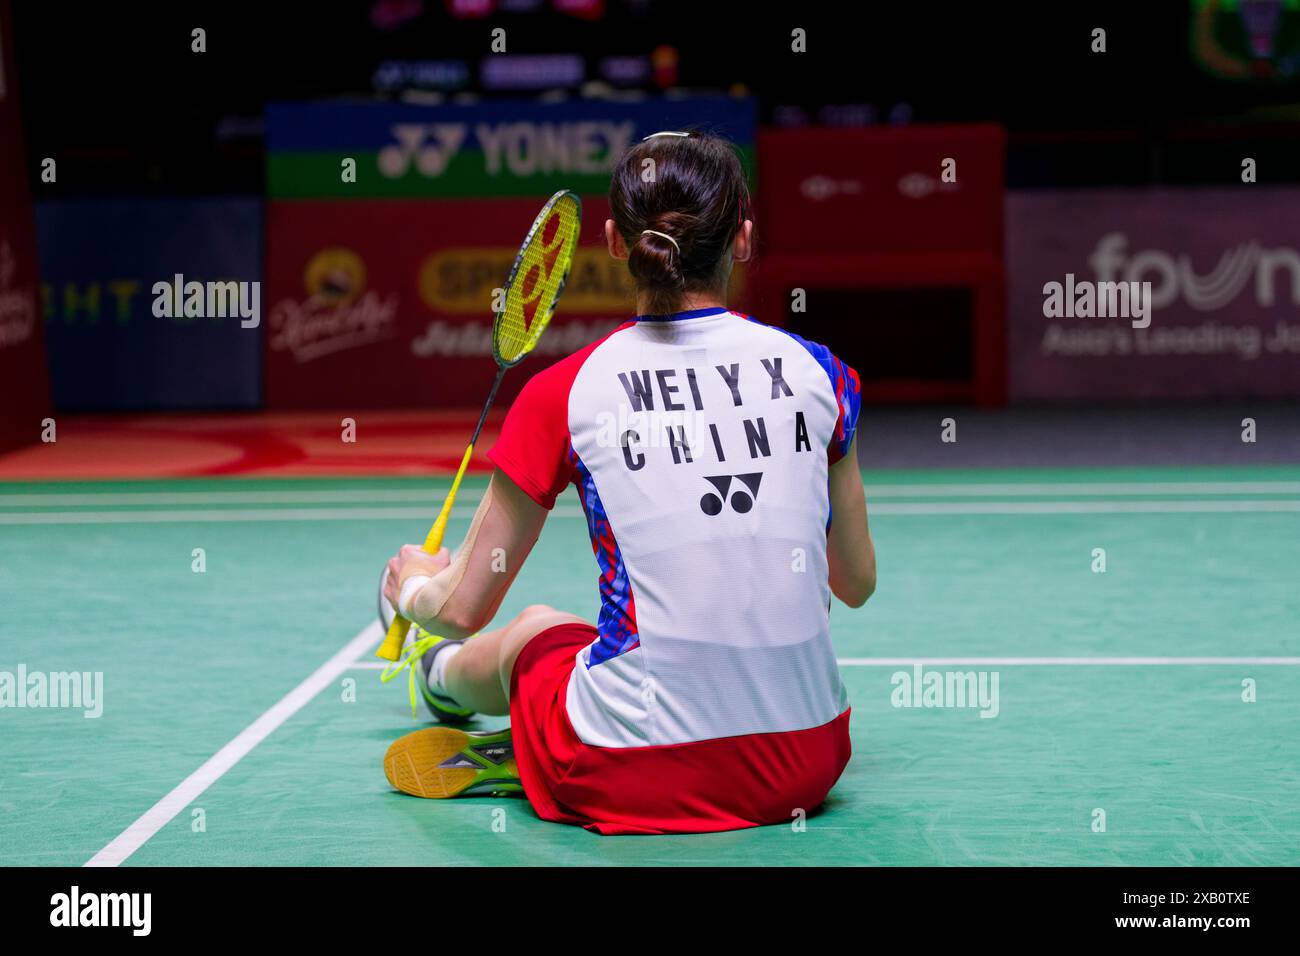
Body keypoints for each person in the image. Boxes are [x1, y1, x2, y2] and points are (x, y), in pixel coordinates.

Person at [379, 130, 876, 835]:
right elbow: (855, 583)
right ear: (742, 239)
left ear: (614, 241)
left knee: (540, 631)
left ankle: (441, 680)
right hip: (805, 763)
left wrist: (415, 587)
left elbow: (462, 605)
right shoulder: (823, 373)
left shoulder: (566, 392)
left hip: (631, 766)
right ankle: (509, 726)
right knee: (587, 641)